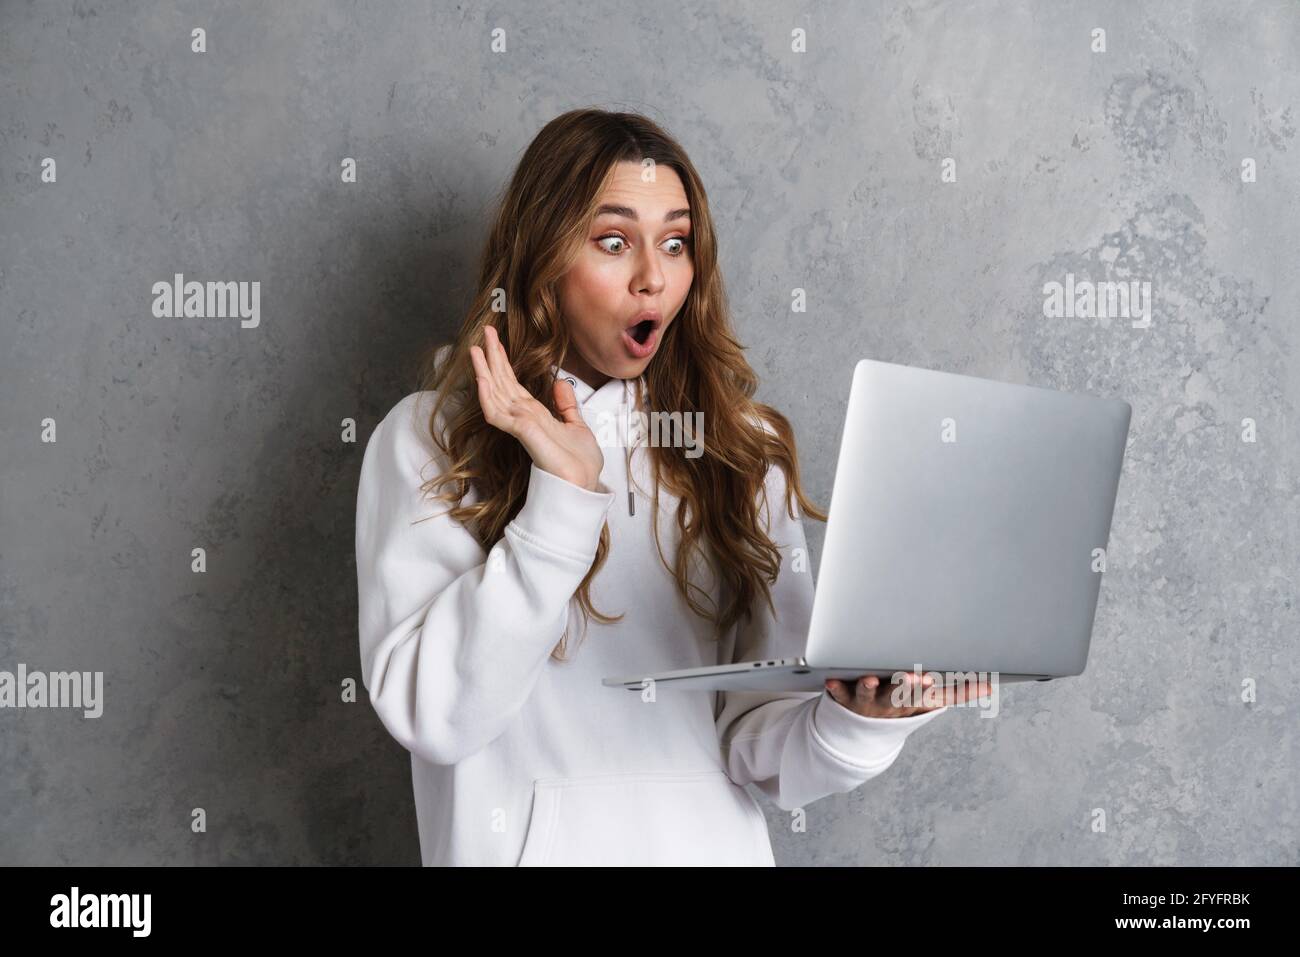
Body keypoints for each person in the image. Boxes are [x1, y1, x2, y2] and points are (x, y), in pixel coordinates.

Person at [355, 108, 982, 866]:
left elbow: (762, 741)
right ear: (542, 258)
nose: (653, 276)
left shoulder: (740, 449)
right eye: (613, 241)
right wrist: (562, 502)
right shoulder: (430, 440)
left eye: (676, 242)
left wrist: (860, 719)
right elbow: (436, 715)